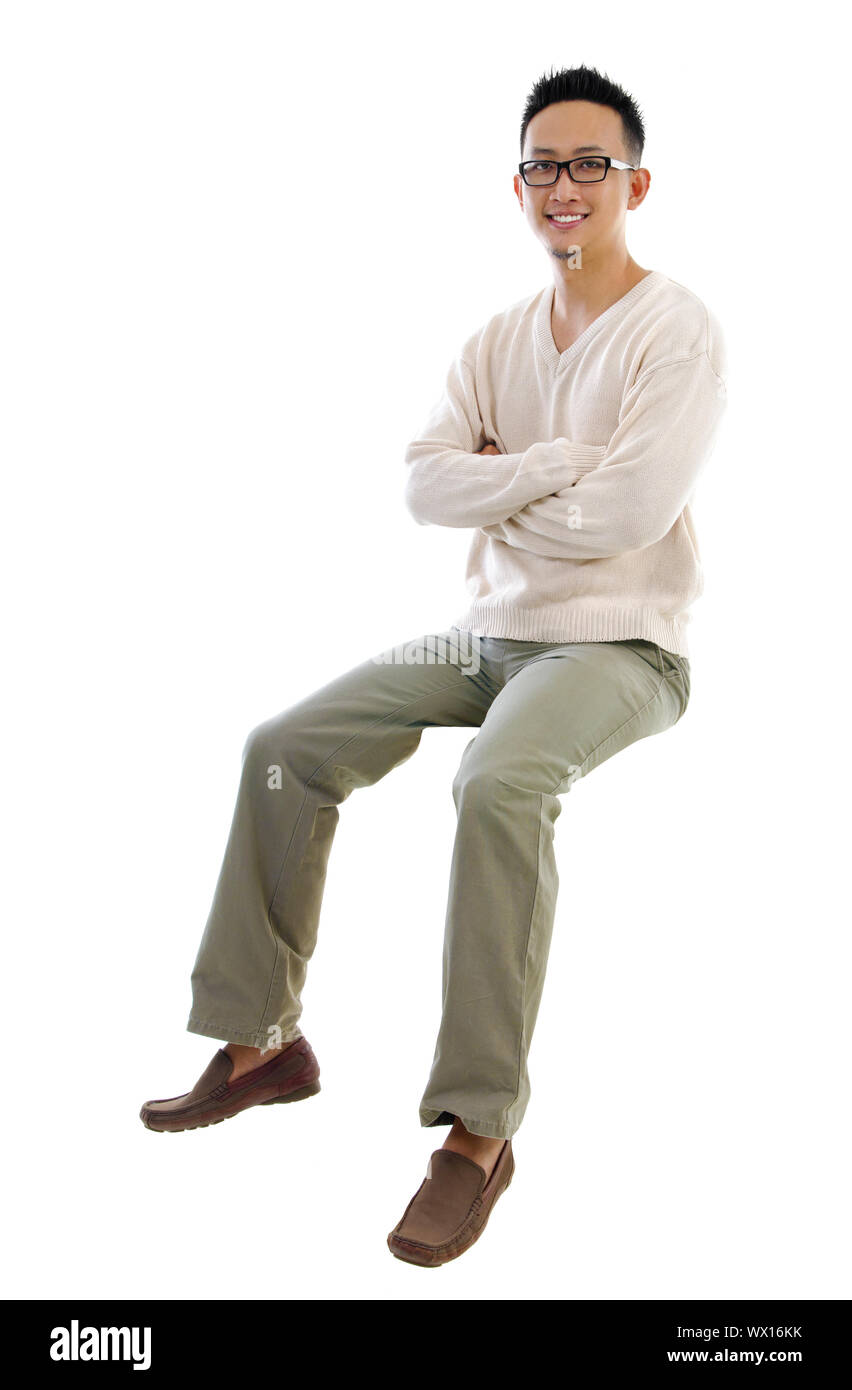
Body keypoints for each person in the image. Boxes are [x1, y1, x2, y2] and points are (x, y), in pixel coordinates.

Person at [139, 63, 727, 1268]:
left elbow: (630, 514)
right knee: (282, 747)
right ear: (518, 187)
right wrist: (550, 468)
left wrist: (505, 483)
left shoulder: (678, 331)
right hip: (487, 633)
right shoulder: (494, 340)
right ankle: (261, 1041)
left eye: (589, 164)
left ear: (636, 182)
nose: (565, 186)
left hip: (619, 641)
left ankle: (477, 1132)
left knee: (498, 782)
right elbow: (421, 483)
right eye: (544, 166)